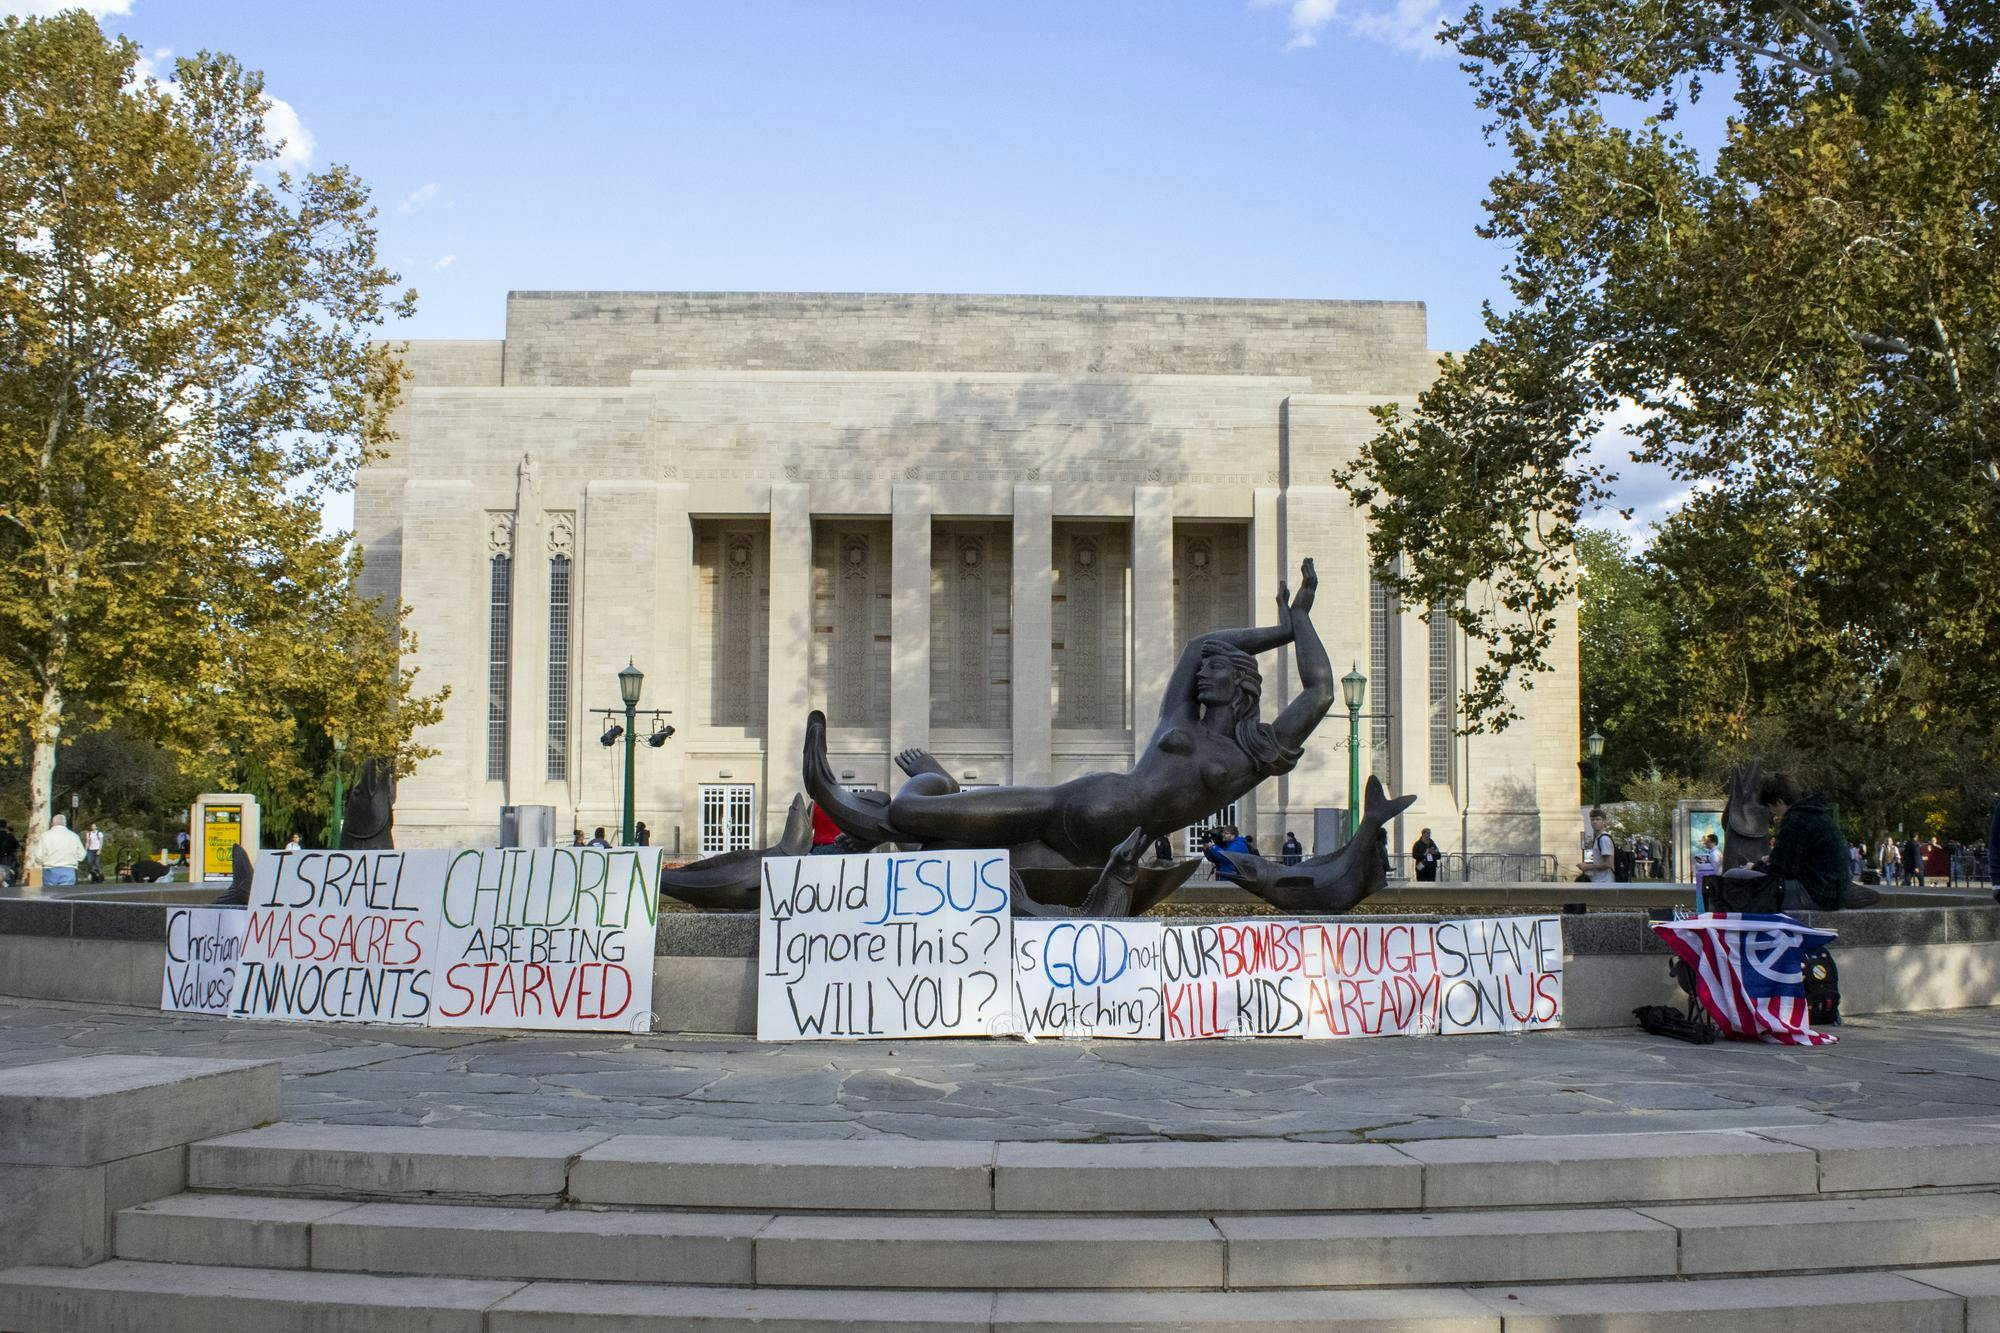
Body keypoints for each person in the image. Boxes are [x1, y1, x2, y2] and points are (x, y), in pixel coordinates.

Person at [812, 560, 1332, 868]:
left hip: (1103, 829)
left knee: (910, 814)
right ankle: (914, 797)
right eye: (1205, 670)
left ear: (1241, 682)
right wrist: (1281, 632)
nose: (1202, 675)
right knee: (943, 849)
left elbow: (1320, 692)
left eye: (1215, 671)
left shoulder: (1254, 751)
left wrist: (1303, 620)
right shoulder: (1181, 718)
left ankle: (928, 782)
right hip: (1075, 807)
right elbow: (1201, 642)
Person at [1763, 772, 1876, 910]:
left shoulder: (1795, 819)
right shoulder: (1816, 813)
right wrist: (1773, 858)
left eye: (1770, 807)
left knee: (1739, 877)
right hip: (1833, 889)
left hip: (1817, 894)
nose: (1773, 813)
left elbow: (1784, 869)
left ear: (1779, 802)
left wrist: (1756, 867)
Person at [35, 814, 87, 888]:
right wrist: (74, 859)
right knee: (65, 895)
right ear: (65, 823)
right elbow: (82, 854)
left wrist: (42, 862)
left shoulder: (45, 835)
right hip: (69, 869)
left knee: (49, 895)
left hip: (50, 869)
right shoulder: (74, 836)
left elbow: (38, 856)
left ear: (52, 823)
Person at [1577, 808, 1615, 884]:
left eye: (1598, 819)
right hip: (1598, 880)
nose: (1594, 822)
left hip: (1604, 882)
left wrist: (1587, 867)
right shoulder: (1598, 838)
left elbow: (1608, 863)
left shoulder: (1604, 839)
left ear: (1604, 822)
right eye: (1592, 820)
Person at [0, 819, 18, 888]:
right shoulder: (10, 836)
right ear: (5, 826)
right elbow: (17, 847)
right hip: (7, 861)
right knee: (7, 881)